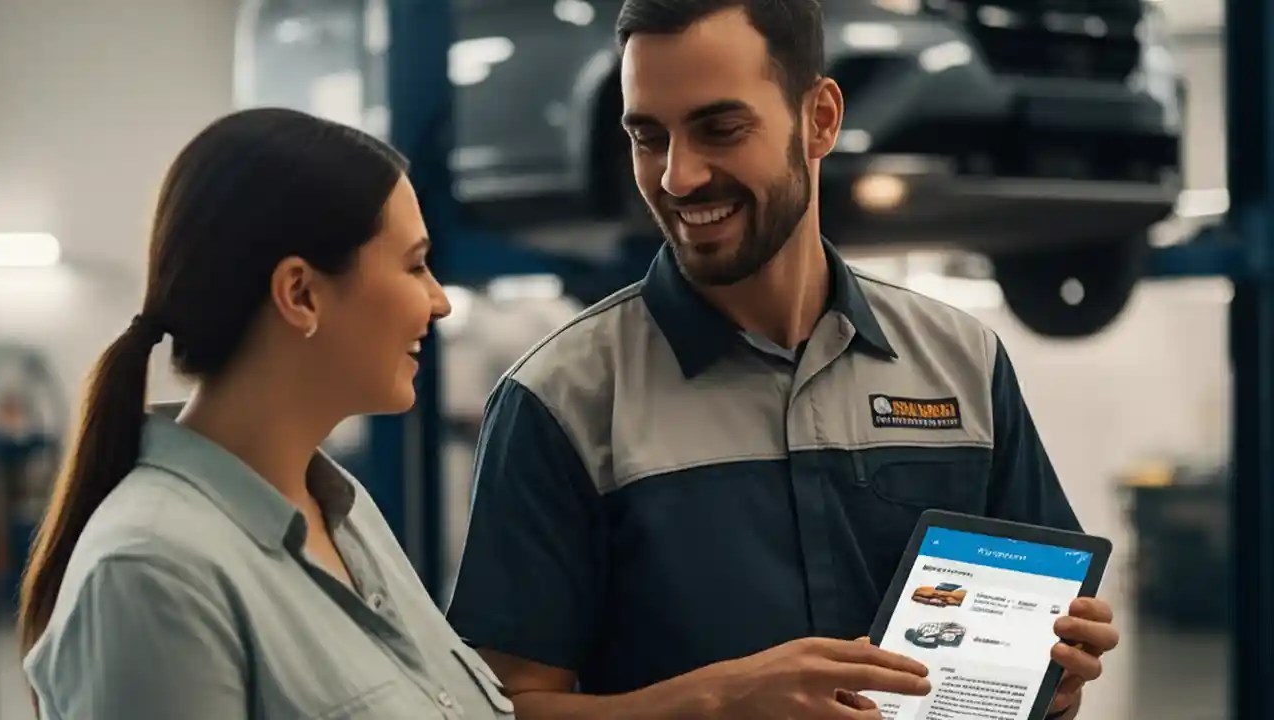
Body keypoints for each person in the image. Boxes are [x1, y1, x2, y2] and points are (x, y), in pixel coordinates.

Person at [445, 2, 1120, 719]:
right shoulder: (561, 399)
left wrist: (1053, 677)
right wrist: (717, 702)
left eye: (720, 129)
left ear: (820, 119)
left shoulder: (963, 362)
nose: (677, 177)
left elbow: (1035, 653)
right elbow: (498, 709)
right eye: (648, 137)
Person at [18, 108, 515, 719]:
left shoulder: (344, 511)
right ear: (301, 294)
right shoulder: (152, 573)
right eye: (414, 264)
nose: (438, 301)